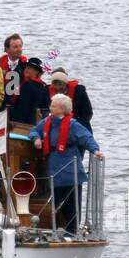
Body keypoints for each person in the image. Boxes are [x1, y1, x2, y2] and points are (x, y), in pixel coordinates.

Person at [28, 94, 101, 232]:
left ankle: (72, 231)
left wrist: (95, 150)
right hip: (54, 169)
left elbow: (86, 137)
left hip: (70, 170)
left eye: (53, 105)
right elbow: (34, 131)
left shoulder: (73, 125)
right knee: (55, 203)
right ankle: (55, 228)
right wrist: (36, 138)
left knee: (72, 205)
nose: (50, 107)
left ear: (61, 109)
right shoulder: (46, 122)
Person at [14, 58, 52, 127]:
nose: (25, 70)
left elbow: (22, 107)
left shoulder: (27, 85)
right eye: (25, 68)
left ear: (36, 72)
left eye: (28, 68)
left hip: (22, 123)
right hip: (35, 123)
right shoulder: (43, 86)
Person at [0, 33, 25, 117]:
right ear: (7, 49)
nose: (19, 49)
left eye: (20, 46)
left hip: (18, 108)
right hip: (0, 107)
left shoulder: (27, 66)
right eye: (15, 47)